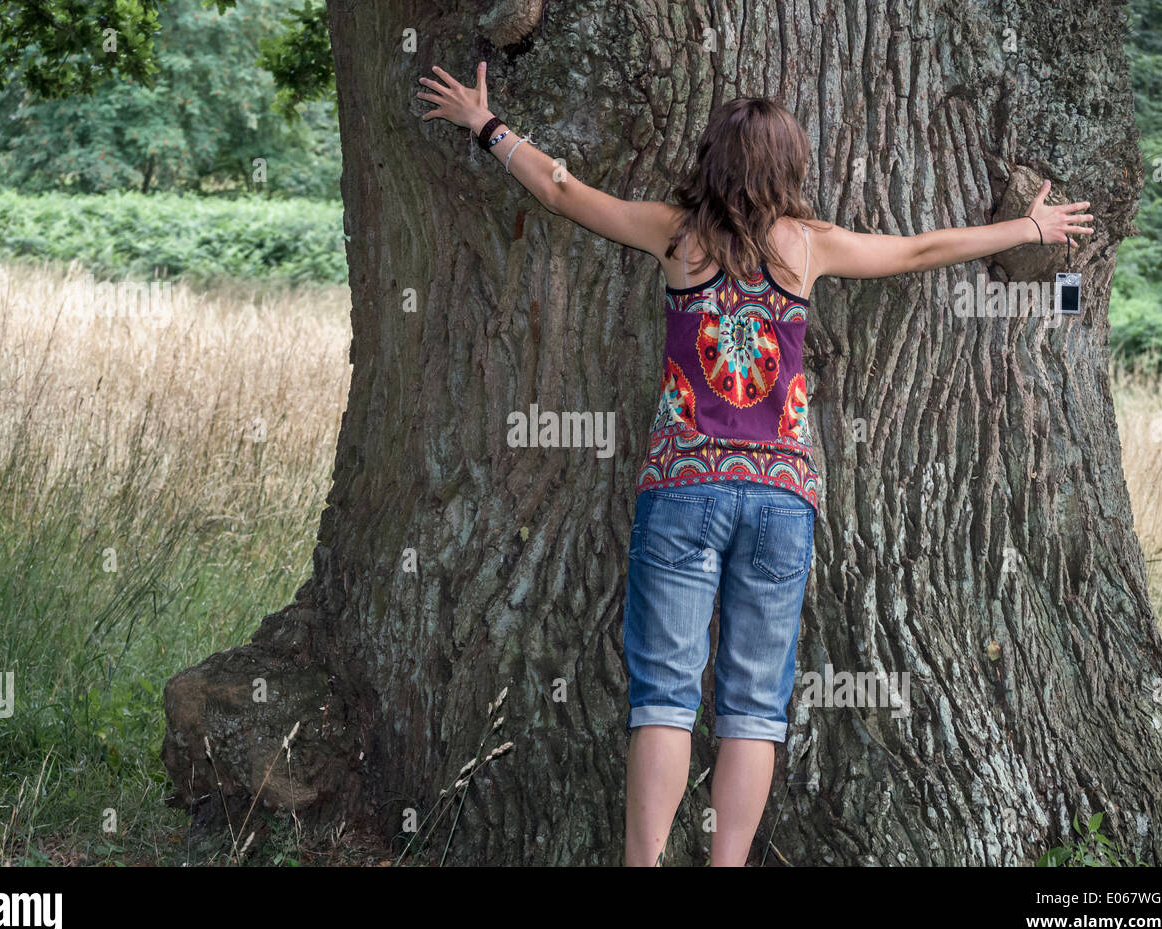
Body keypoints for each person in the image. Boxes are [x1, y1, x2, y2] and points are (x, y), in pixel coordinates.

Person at [417, 61, 1094, 867]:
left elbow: (564, 192)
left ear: (711, 158)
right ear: (789, 167)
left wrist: (487, 127)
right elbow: (921, 249)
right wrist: (1028, 229)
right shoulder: (808, 246)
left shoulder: (676, 234)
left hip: (684, 488)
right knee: (753, 708)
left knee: (665, 698)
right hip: (780, 497)